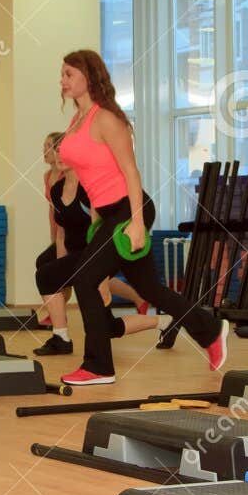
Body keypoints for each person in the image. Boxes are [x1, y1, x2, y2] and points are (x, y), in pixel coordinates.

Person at [37, 50, 228, 386]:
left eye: (69, 74)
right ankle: (210, 329)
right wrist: (97, 221)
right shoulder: (77, 120)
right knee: (149, 288)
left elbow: (130, 172)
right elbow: (92, 176)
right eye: (62, 74)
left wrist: (137, 223)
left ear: (88, 77)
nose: (62, 80)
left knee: (85, 279)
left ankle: (99, 367)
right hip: (109, 213)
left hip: (130, 208)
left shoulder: (106, 119)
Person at [34, 131, 156, 357]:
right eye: (57, 152)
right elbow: (61, 233)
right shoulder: (57, 190)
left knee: (45, 276)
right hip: (75, 253)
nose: (59, 156)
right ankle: (165, 321)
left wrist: (101, 275)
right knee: (107, 326)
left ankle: (61, 338)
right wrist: (62, 270)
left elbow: (99, 230)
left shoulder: (90, 189)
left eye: (64, 152)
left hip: (93, 253)